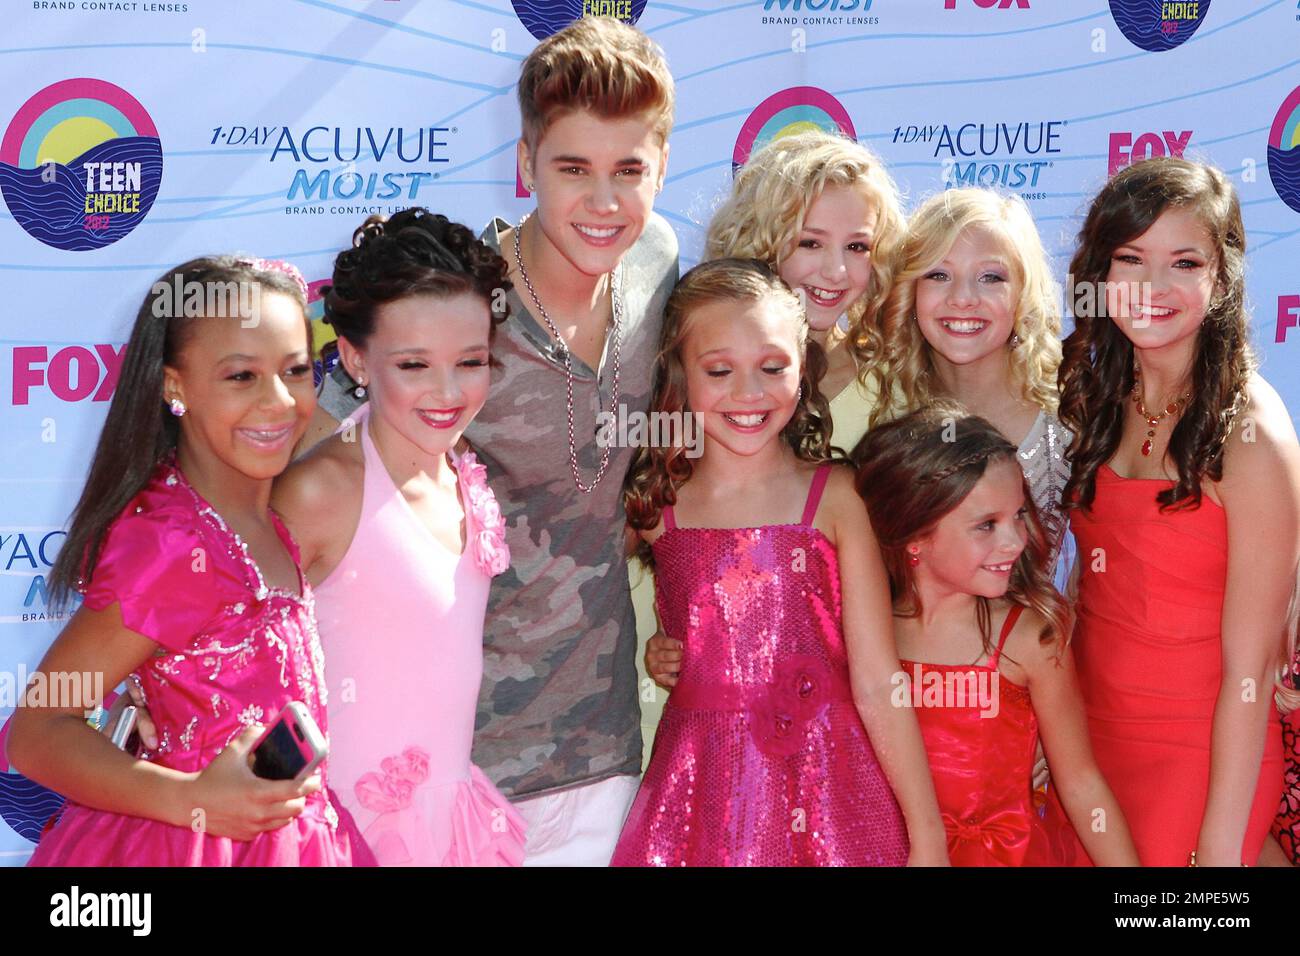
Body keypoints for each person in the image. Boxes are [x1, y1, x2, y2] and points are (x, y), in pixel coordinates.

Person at [309, 16, 678, 864]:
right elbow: (299, 459)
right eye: (572, 169)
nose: (604, 203)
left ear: (662, 168)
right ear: (524, 165)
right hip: (449, 756)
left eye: (631, 171)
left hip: (606, 749)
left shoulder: (659, 260)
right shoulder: (457, 302)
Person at [8, 256, 355, 866]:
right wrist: (194, 799)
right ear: (175, 386)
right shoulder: (173, 543)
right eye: (241, 376)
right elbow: (36, 732)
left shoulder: (265, 516)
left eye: (296, 370)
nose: (279, 401)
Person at [612, 259, 948, 866]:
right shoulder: (657, 507)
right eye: (720, 370)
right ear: (680, 377)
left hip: (833, 794)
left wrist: (928, 837)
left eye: (773, 367)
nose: (749, 392)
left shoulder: (839, 497)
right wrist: (659, 652)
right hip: (697, 802)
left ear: (803, 369)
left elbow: (877, 679)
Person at [1054, 157, 1300, 866]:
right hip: (1090, 759)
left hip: (1198, 767)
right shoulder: (1099, 398)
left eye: (1183, 262)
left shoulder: (1251, 433)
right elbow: (1094, 589)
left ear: (1221, 278)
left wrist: (1220, 859)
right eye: (1130, 258)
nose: (1152, 288)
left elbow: (1251, 675)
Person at [272, 209, 527, 865]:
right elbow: (234, 668)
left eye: (470, 361)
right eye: (414, 365)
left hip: (453, 831)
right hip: (337, 836)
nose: (447, 392)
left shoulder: (463, 473)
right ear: (356, 357)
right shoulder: (320, 490)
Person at [853, 406, 1138, 866]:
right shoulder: (864, 635)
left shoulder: (1029, 639)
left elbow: (1081, 783)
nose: (1016, 541)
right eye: (987, 525)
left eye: (1019, 515)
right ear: (913, 537)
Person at [703, 128, 905, 449]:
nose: (835, 272)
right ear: (760, 243)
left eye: (857, 247)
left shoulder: (895, 382)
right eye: (810, 243)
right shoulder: (702, 372)